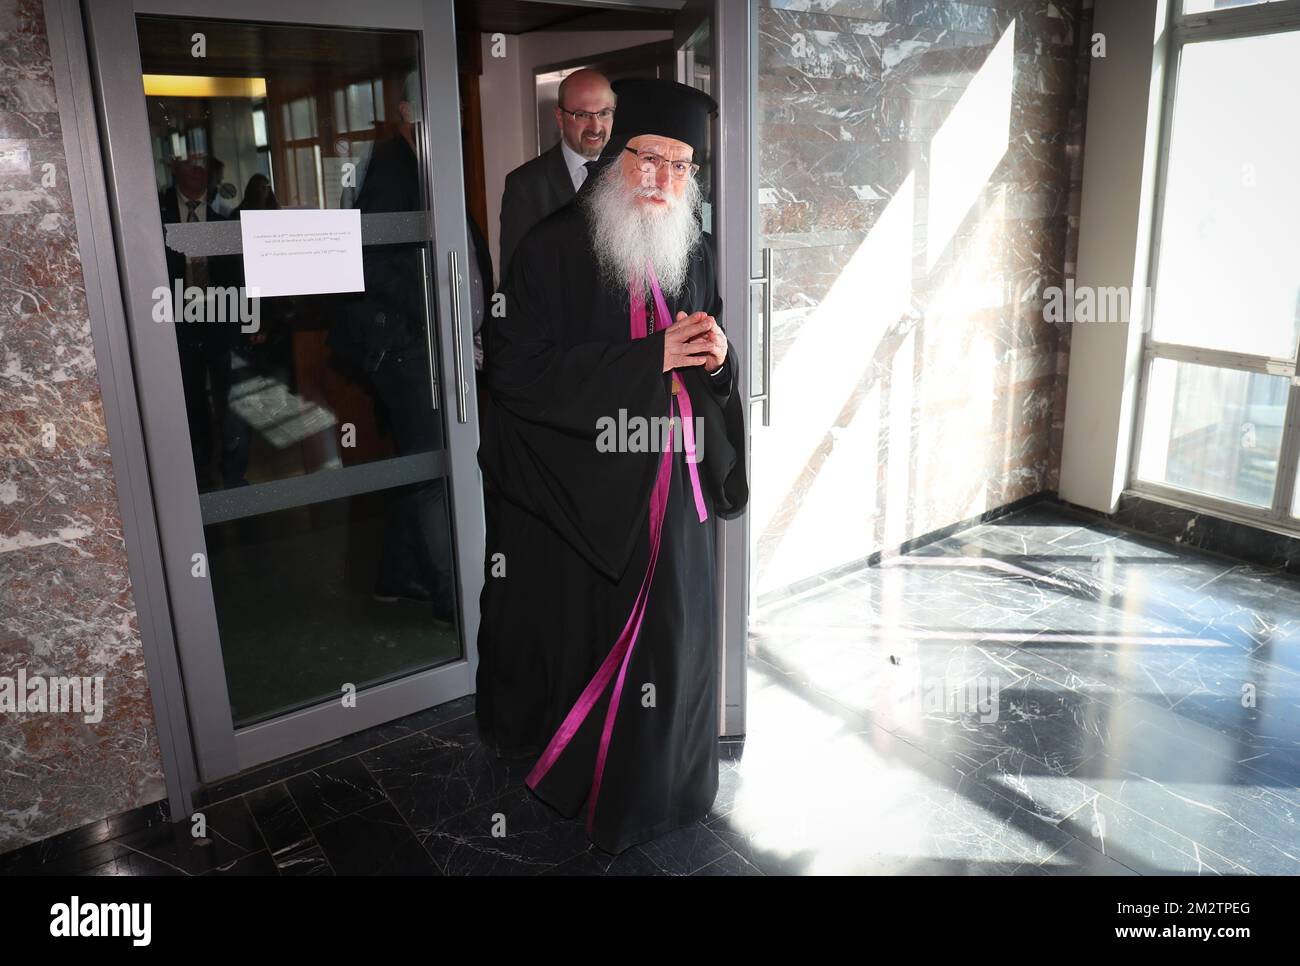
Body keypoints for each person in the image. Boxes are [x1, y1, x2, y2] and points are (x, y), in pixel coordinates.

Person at [475, 78, 749, 854]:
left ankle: (680, 787)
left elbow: (706, 347)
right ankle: (622, 798)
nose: (662, 178)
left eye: (680, 164)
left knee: (683, 638)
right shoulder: (555, 247)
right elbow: (515, 369)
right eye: (649, 158)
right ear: (613, 156)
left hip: (681, 487)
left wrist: (722, 364)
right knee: (629, 645)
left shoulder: (690, 249)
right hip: (601, 500)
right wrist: (643, 361)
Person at [497, 68, 615, 281]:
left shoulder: (629, 175)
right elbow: (514, 276)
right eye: (582, 115)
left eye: (604, 113)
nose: (596, 127)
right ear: (560, 118)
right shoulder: (525, 185)